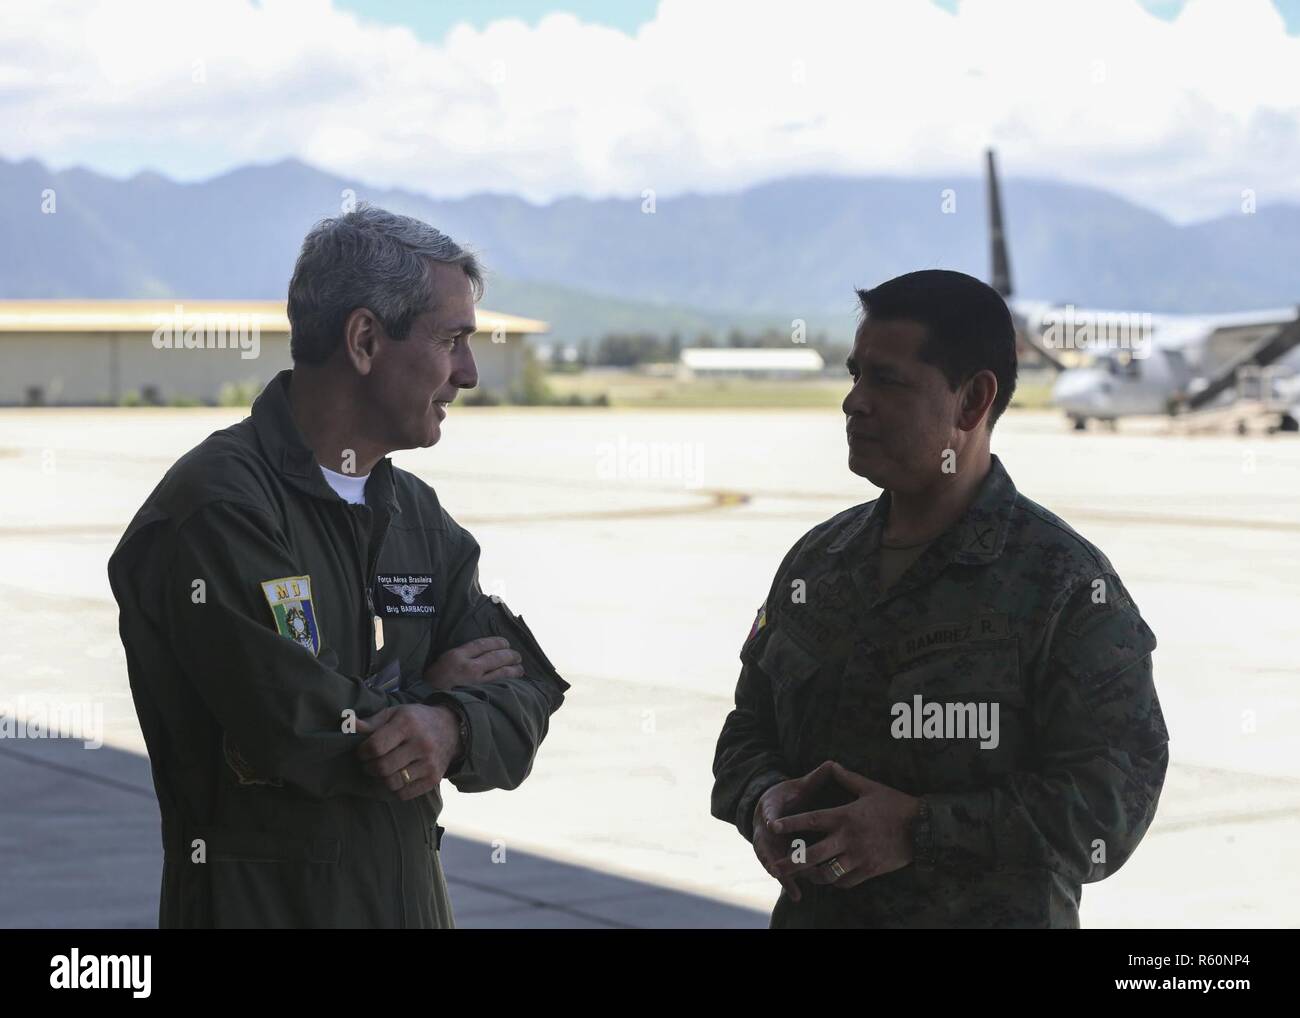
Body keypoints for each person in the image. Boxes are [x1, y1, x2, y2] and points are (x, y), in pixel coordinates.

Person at [108, 205, 568, 928]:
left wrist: (448, 725)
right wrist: (431, 697)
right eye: (452, 340)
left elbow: (531, 691)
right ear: (364, 340)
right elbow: (296, 727)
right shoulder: (219, 509)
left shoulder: (415, 515)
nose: (469, 374)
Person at [711, 269, 1168, 928]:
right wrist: (763, 800)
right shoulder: (818, 563)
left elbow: (1111, 805)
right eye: (854, 374)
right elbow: (746, 734)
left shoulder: (1065, 588)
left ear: (972, 401)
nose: (854, 403)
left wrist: (919, 829)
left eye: (887, 380)